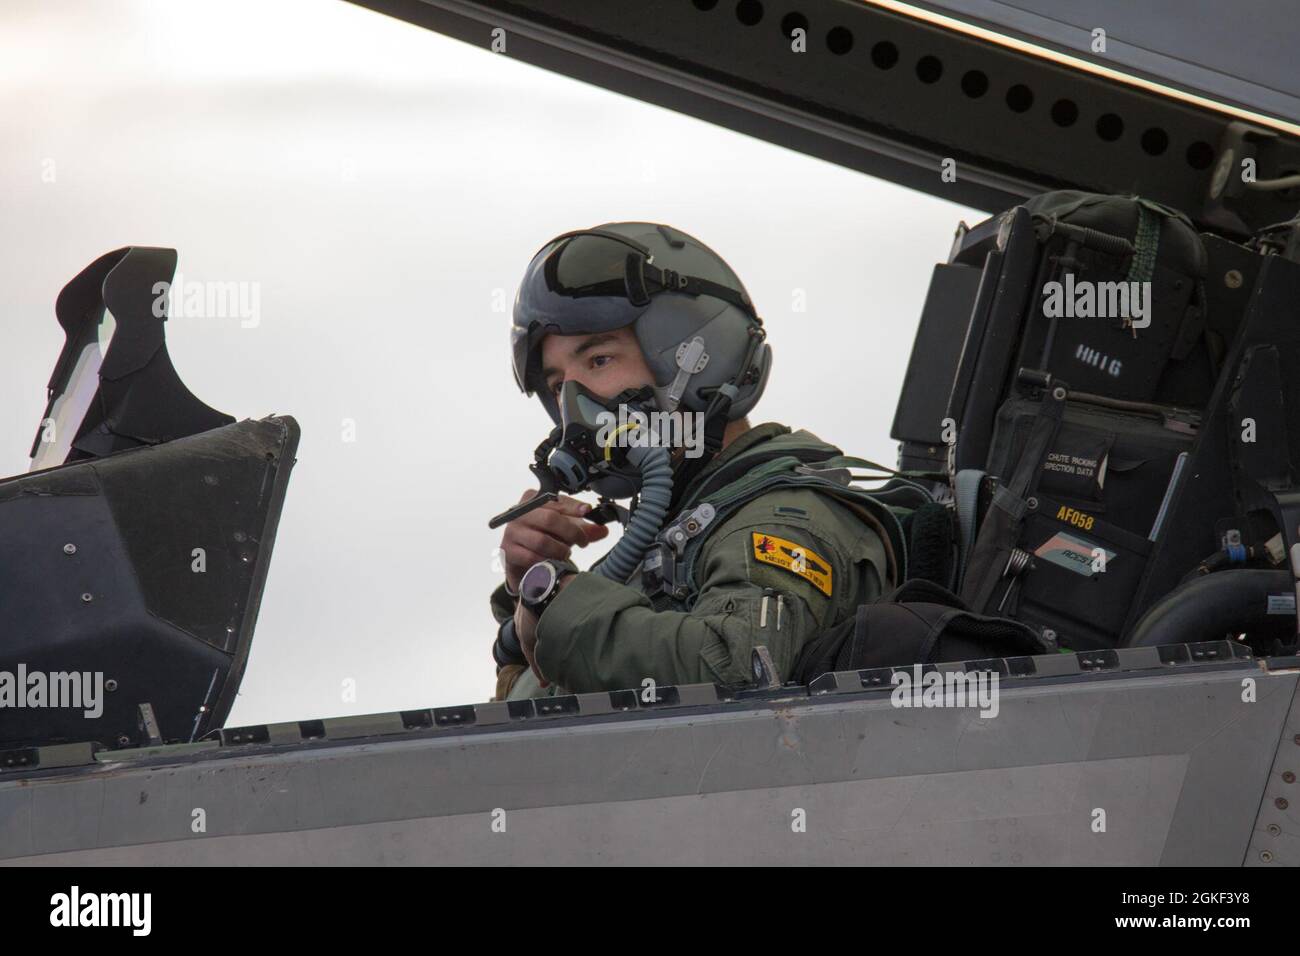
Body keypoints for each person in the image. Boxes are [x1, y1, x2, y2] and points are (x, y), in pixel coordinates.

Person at [490, 223, 908, 702]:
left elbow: (742, 667)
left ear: (696, 358)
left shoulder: (783, 516)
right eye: (559, 383)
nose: (574, 405)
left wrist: (557, 604)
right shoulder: (674, 537)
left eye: (599, 360)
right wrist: (532, 585)